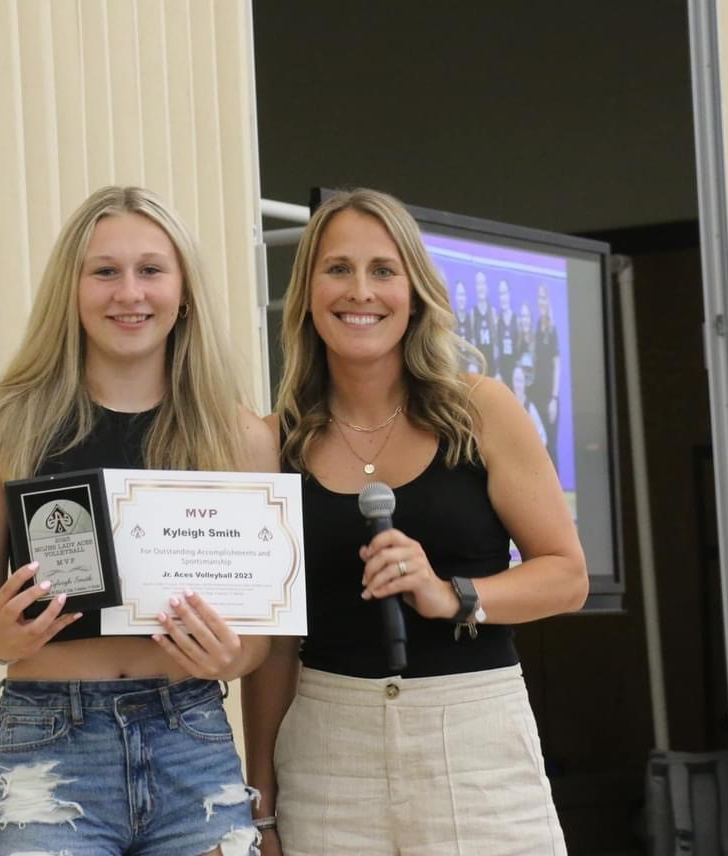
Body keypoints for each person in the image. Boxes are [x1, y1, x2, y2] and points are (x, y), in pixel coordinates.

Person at [242, 188, 587, 855]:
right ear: (309, 291)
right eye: (338, 269)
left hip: (475, 741)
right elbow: (275, 646)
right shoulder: (272, 443)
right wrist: (262, 804)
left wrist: (454, 593)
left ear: (415, 291)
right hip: (327, 756)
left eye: (383, 270)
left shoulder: (481, 410)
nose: (360, 291)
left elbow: (566, 576)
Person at [0, 186, 277, 856]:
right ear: (70, 290)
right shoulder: (1, 431)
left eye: (151, 270)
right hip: (48, 745)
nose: (129, 293)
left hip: (191, 737)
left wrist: (233, 655)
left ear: (184, 291)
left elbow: (260, 639)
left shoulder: (239, 437)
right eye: (105, 271)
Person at [530, 283, 562, 468]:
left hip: (549, 397)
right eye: (539, 298)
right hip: (536, 395)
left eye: (544, 298)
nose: (541, 302)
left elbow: (557, 366)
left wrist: (554, 399)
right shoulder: (537, 327)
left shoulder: (552, 330)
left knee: (552, 446)